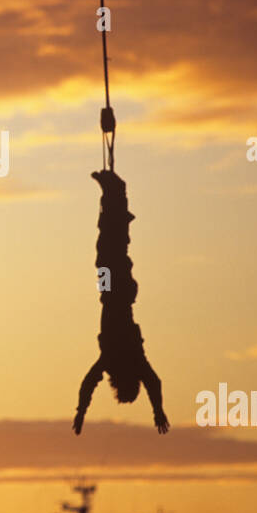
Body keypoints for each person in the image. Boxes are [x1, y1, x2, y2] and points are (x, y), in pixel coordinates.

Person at [73, 170, 169, 434]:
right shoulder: (125, 360)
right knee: (111, 249)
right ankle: (117, 192)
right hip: (116, 292)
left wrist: (82, 411)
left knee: (106, 251)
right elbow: (153, 383)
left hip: (110, 292)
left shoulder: (116, 360)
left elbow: (90, 382)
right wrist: (157, 410)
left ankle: (110, 193)